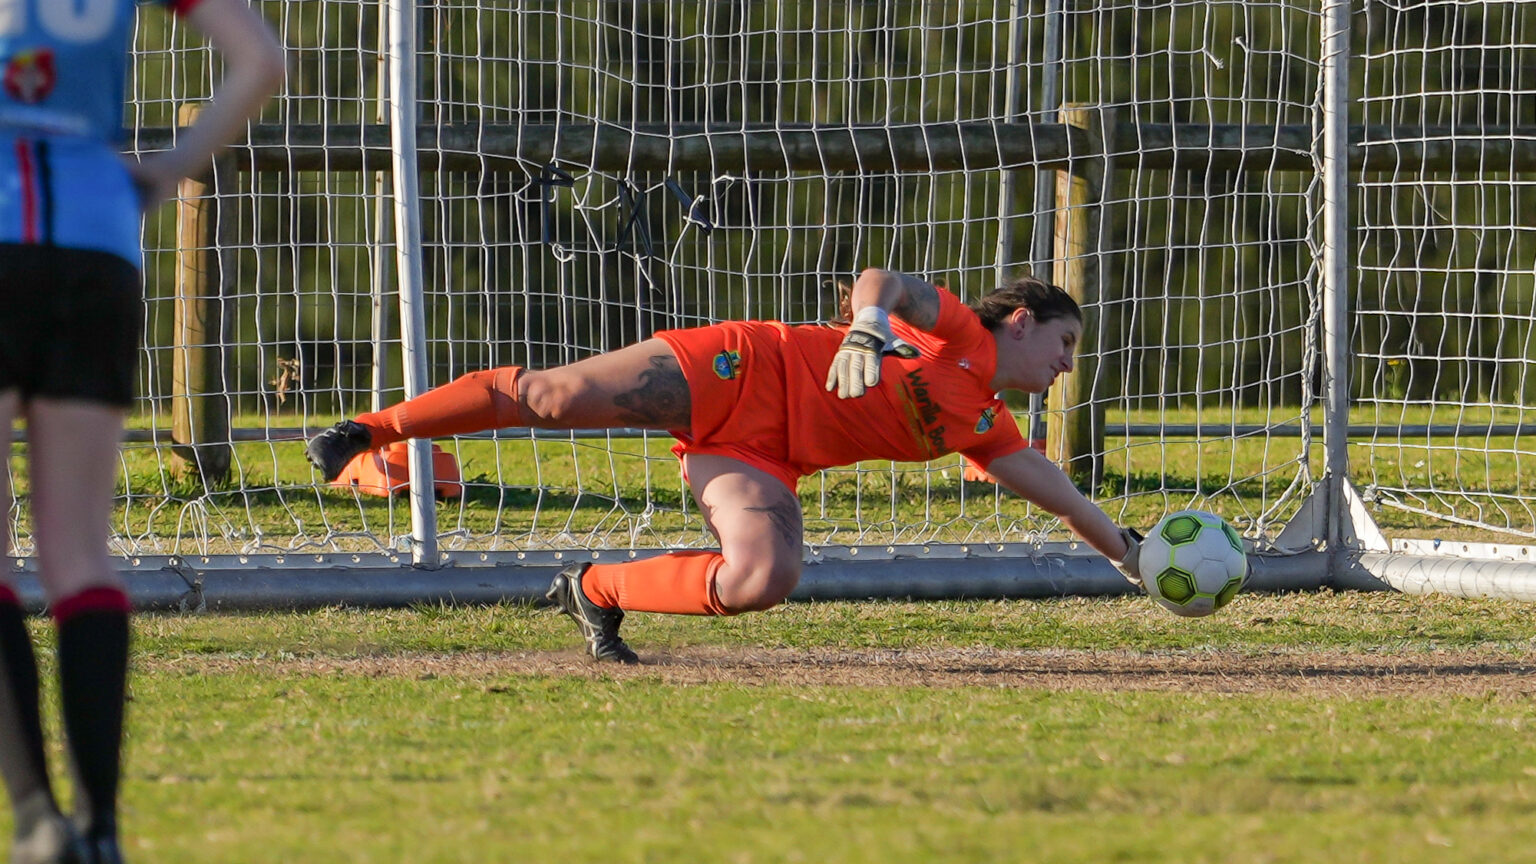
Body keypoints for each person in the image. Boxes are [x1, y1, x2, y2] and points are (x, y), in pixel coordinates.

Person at [306, 268, 1145, 664]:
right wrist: (866, 328)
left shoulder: (988, 428)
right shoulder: (958, 335)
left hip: (757, 453)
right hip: (738, 367)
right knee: (553, 397)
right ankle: (369, 428)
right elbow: (883, 281)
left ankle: (591, 587)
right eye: (1066, 343)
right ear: (1023, 322)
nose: (1068, 365)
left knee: (762, 578)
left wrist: (1134, 557)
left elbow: (1064, 498)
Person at [0, 2, 285, 862]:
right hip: (95, 235)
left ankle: (38, 819)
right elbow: (262, 60)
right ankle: (103, 826)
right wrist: (168, 170)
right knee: (81, 554)